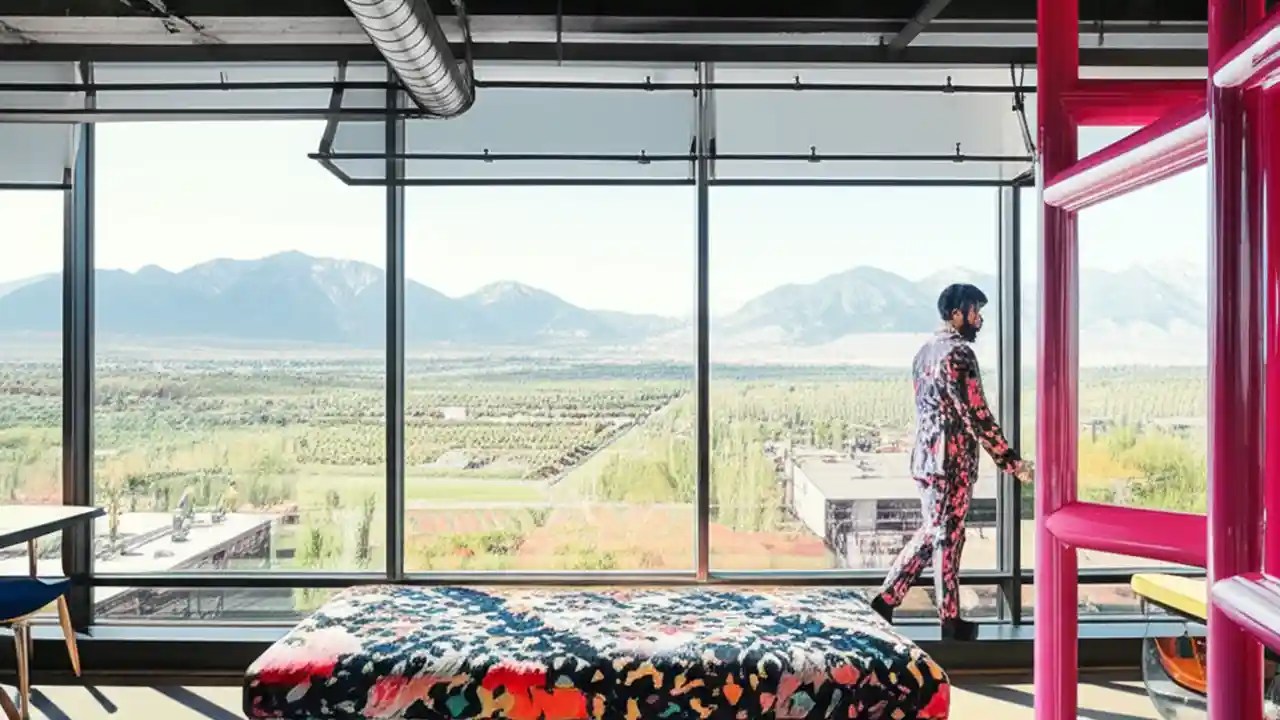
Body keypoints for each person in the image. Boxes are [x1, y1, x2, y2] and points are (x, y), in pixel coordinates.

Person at [870, 283, 1033, 640]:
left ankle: (910, 607)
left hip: (926, 459)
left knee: (942, 535)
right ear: (956, 313)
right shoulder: (958, 355)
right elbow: (977, 414)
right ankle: (918, 610)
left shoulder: (924, 352)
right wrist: (1011, 462)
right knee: (943, 534)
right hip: (951, 462)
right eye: (975, 311)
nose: (980, 319)